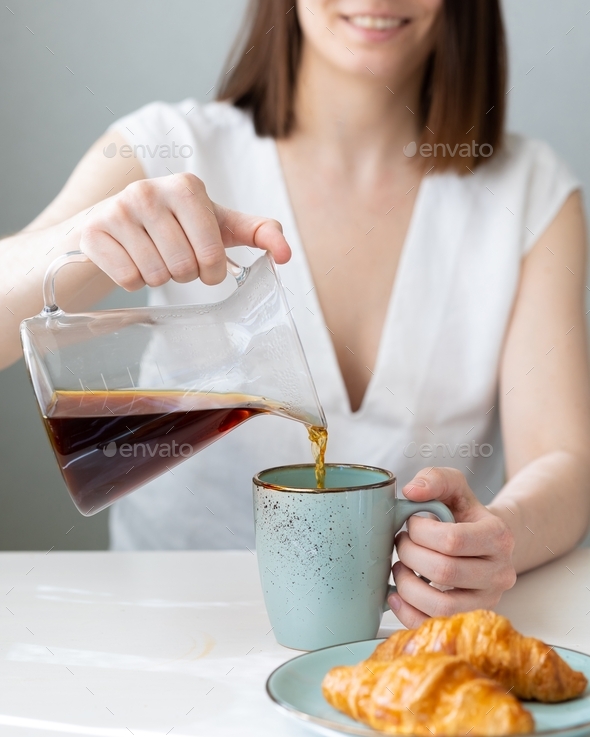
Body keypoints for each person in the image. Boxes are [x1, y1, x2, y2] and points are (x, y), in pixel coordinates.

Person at [1, 0, 589, 629]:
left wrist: (499, 534)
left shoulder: (527, 191)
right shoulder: (165, 149)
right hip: (166, 634)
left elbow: (563, 459)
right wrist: (81, 240)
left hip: (395, 648)